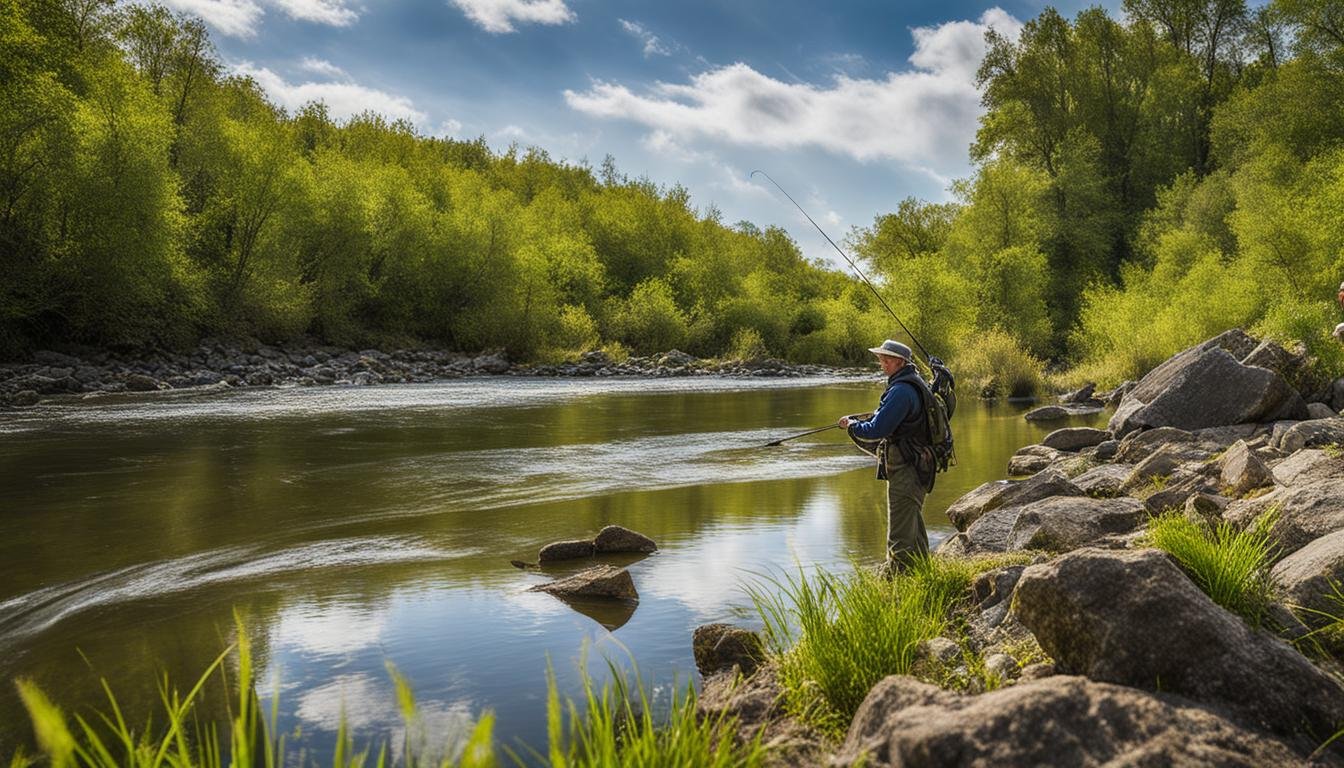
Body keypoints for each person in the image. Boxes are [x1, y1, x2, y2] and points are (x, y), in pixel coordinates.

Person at [838, 339, 930, 572]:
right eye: (881, 358)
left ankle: (897, 588)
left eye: (887, 359)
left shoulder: (901, 391)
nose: (882, 363)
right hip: (919, 465)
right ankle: (923, 577)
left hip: (906, 469)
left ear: (901, 362)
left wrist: (851, 425)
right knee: (913, 527)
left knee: (899, 537)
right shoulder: (914, 383)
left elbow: (876, 431)